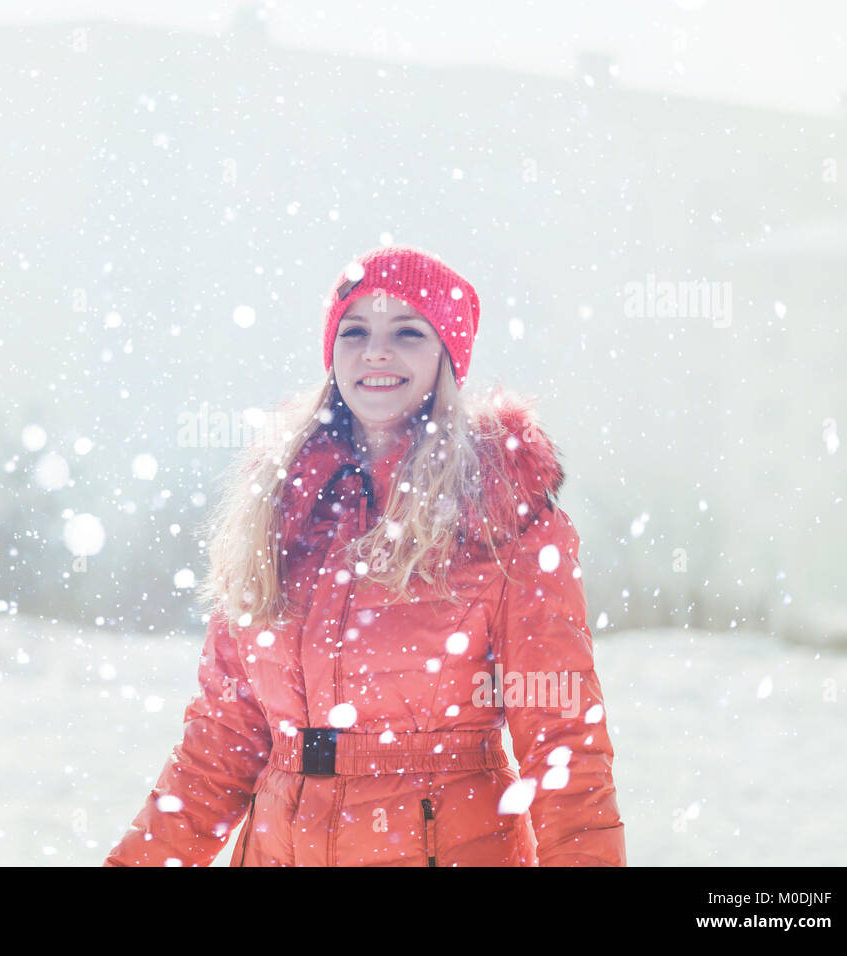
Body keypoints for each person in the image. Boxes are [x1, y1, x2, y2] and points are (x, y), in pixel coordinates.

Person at [104, 244, 626, 866]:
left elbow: (563, 742)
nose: (376, 351)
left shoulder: (502, 518)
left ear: (447, 357)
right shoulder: (280, 511)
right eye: (355, 331)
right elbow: (218, 746)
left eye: (407, 331)